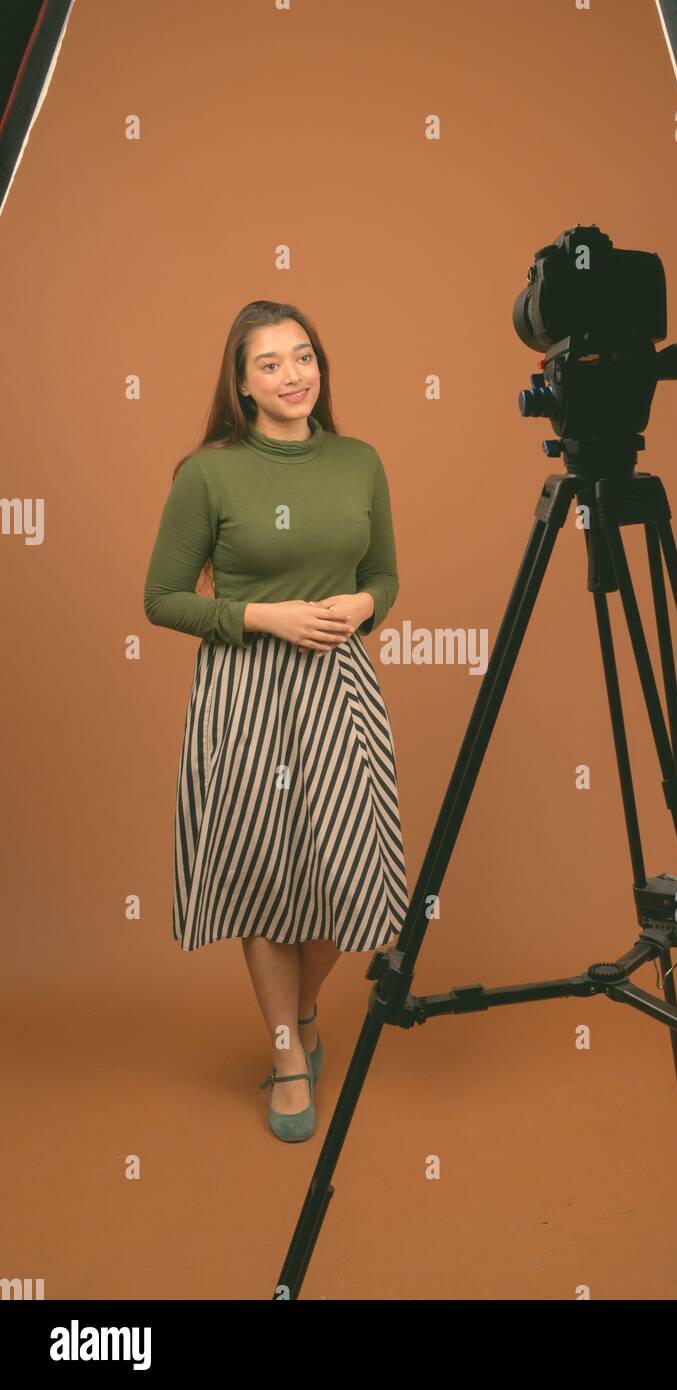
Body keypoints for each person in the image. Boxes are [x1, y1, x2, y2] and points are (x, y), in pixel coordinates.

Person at [143, 300, 409, 1143]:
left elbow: (387, 575)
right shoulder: (208, 473)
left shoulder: (359, 460)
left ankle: (301, 1006)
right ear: (242, 383)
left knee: (348, 871)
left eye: (304, 357)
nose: (293, 376)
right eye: (270, 364)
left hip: (340, 684)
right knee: (261, 871)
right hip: (245, 691)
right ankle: (287, 1053)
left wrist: (363, 603)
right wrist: (265, 618)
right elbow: (161, 599)